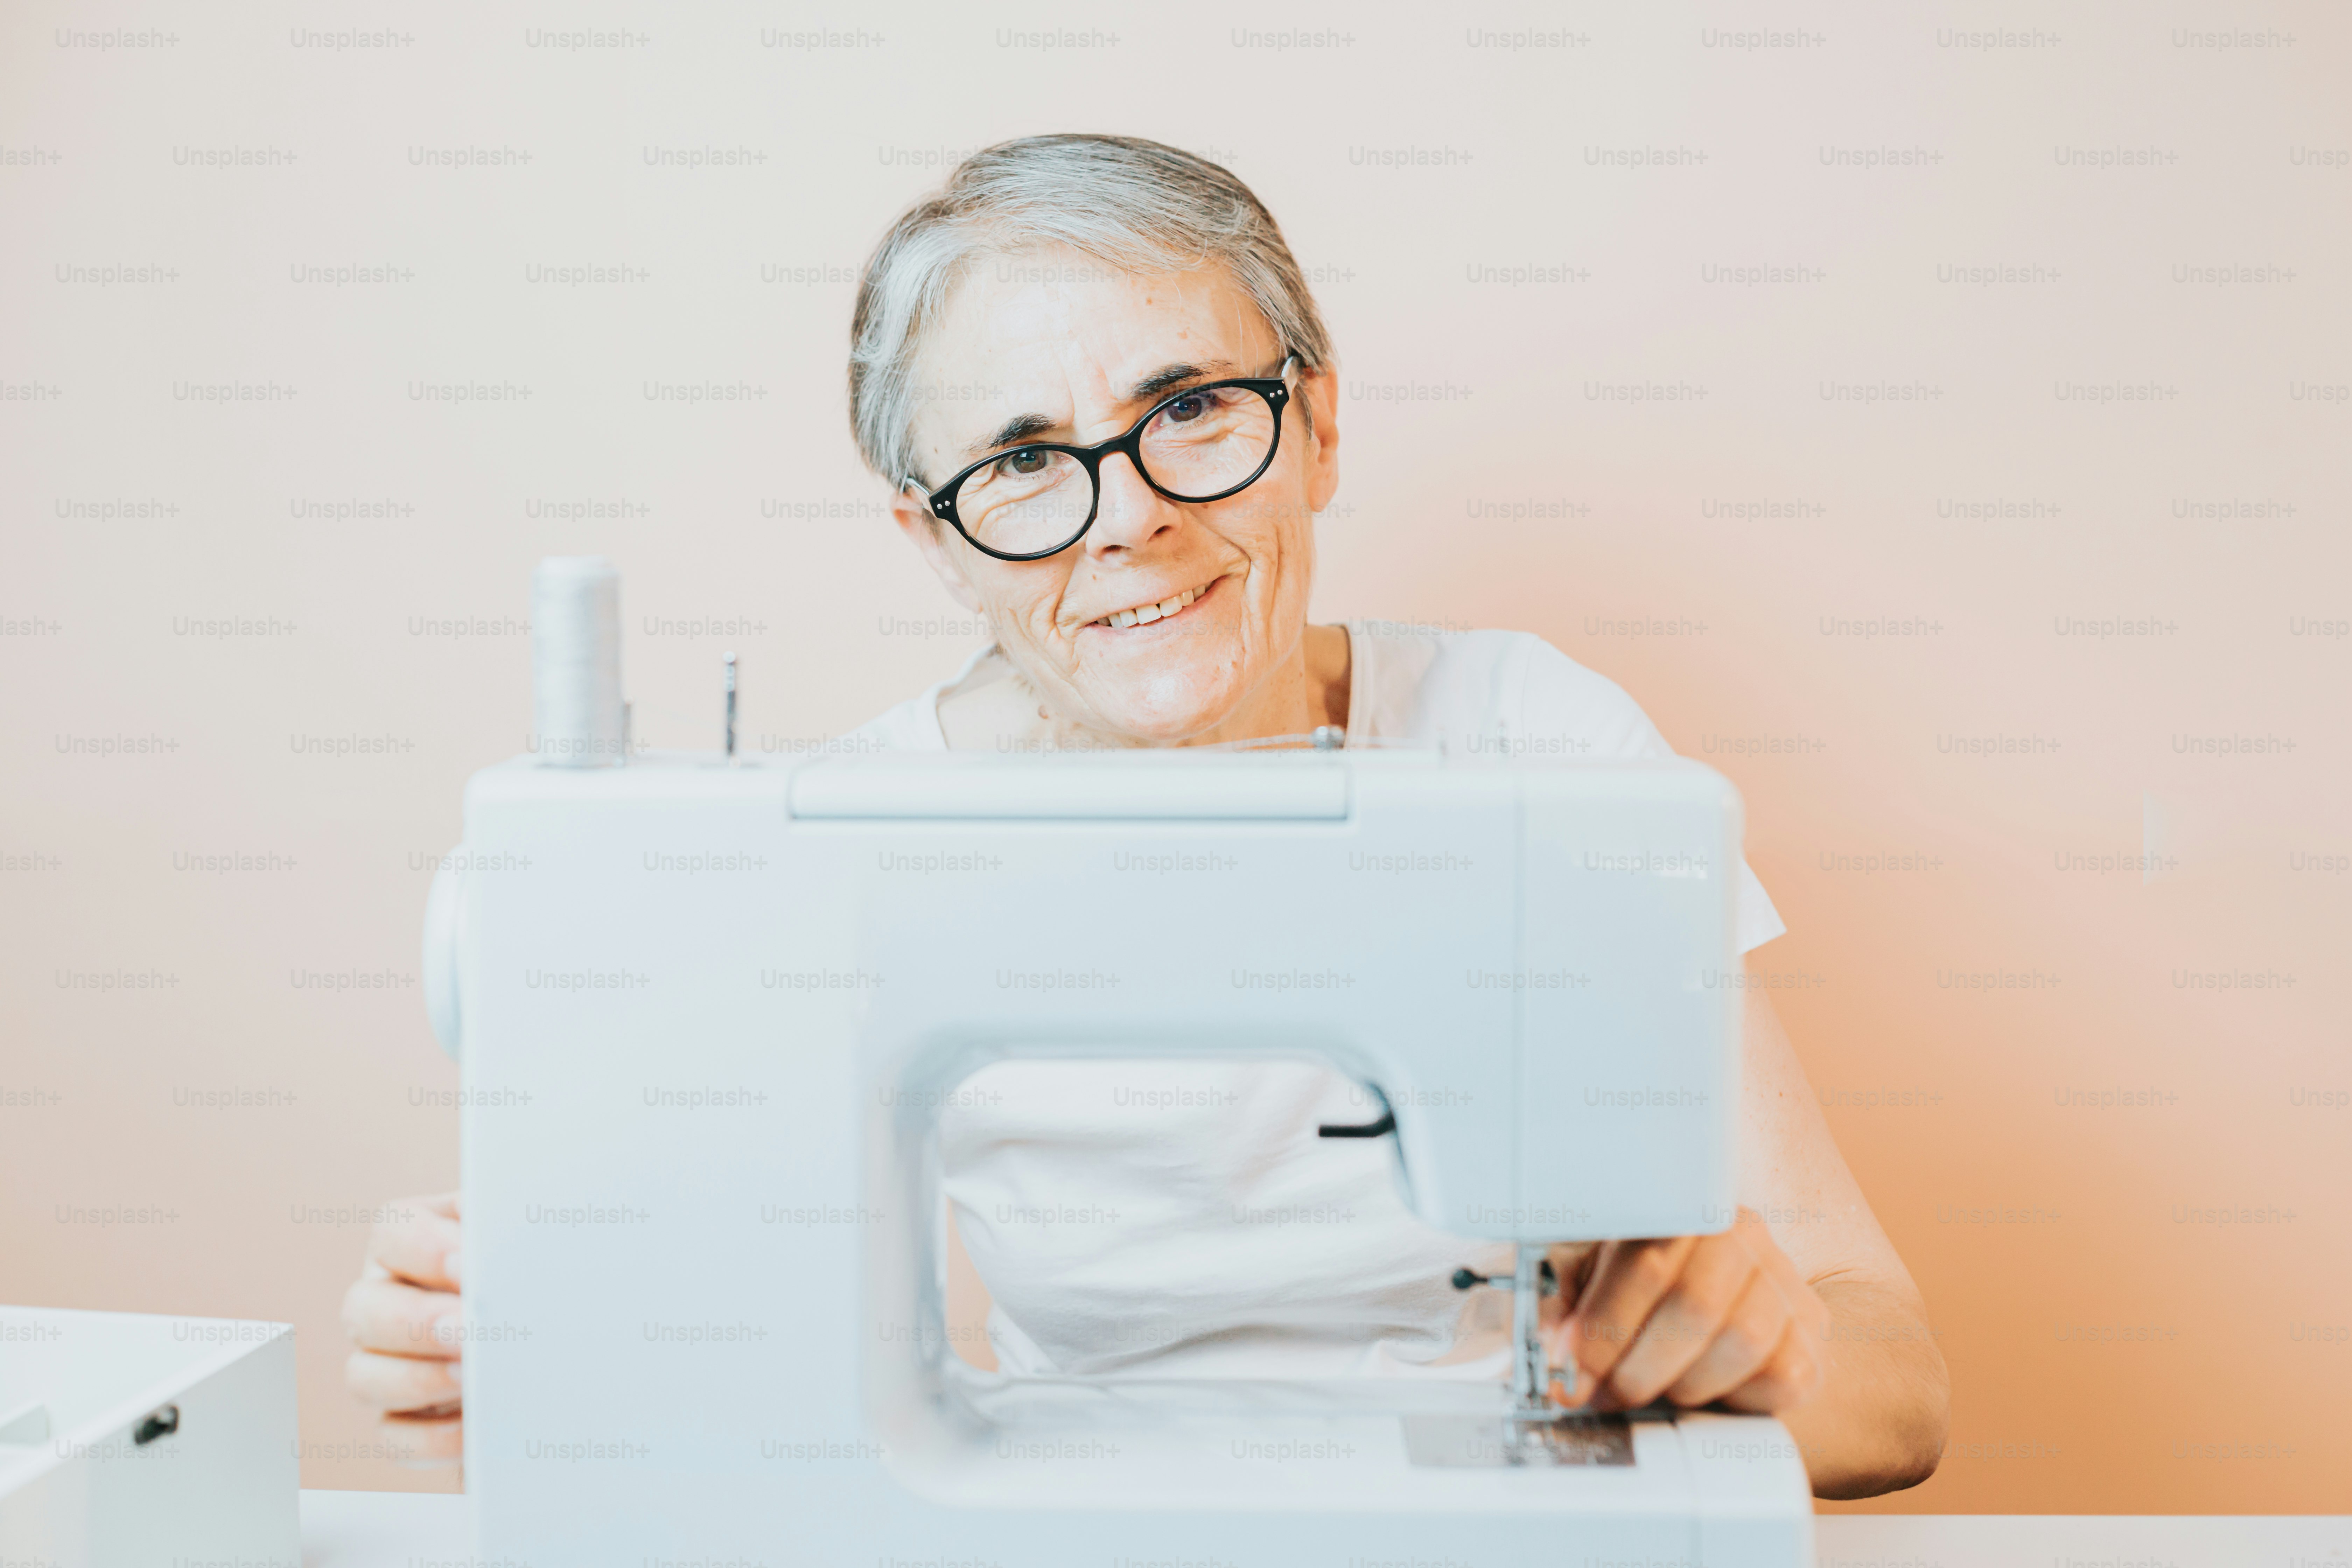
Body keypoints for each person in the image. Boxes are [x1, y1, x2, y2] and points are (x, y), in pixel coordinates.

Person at [344, 134, 1950, 1498]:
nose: (1129, 520)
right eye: (1026, 460)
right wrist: (541, 1343)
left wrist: (1756, 1359)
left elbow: (1893, 1374)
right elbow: (677, 1345)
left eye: (1192, 411)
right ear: (932, 537)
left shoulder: (1536, 741)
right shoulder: (831, 854)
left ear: (1317, 430)